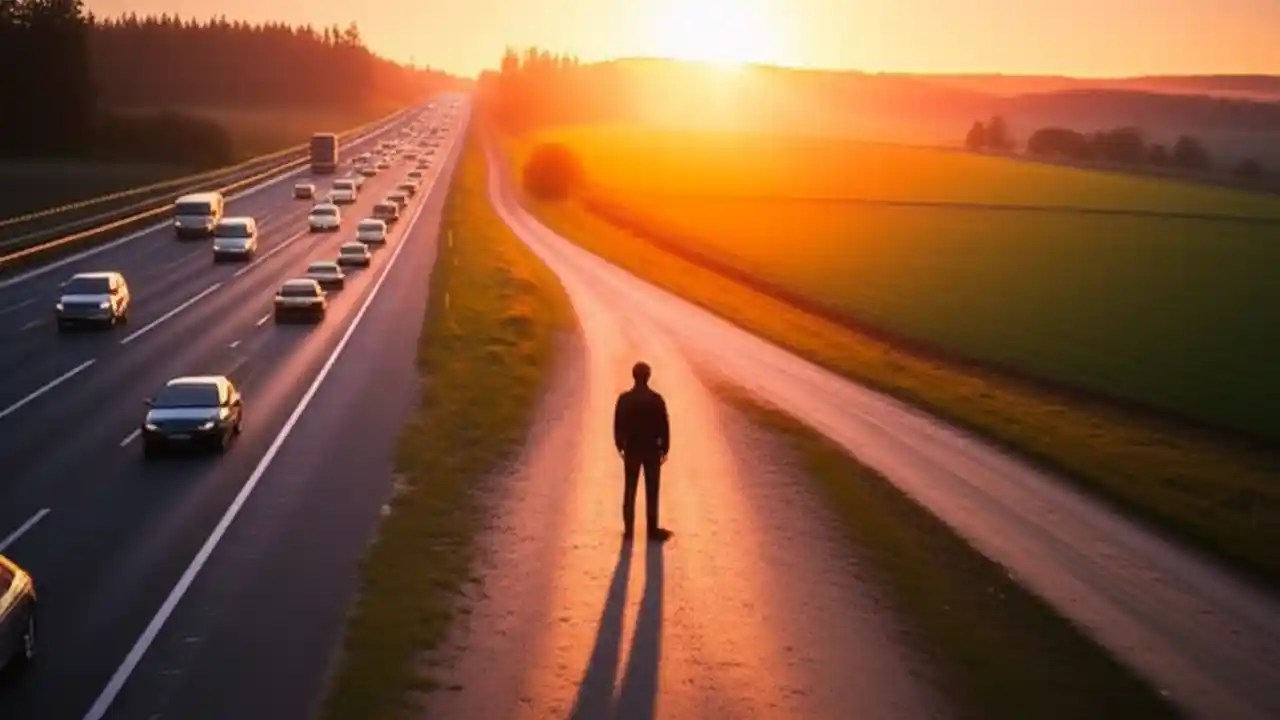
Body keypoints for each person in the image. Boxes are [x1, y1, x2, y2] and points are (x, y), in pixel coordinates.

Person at [613, 362, 671, 541]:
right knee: (652, 490)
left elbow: (618, 425)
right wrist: (664, 447)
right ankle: (652, 530)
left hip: (633, 448)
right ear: (648, 376)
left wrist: (620, 445)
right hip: (651, 449)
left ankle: (629, 531)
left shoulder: (624, 399)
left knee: (630, 488)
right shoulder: (656, 399)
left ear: (633, 376)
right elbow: (664, 425)